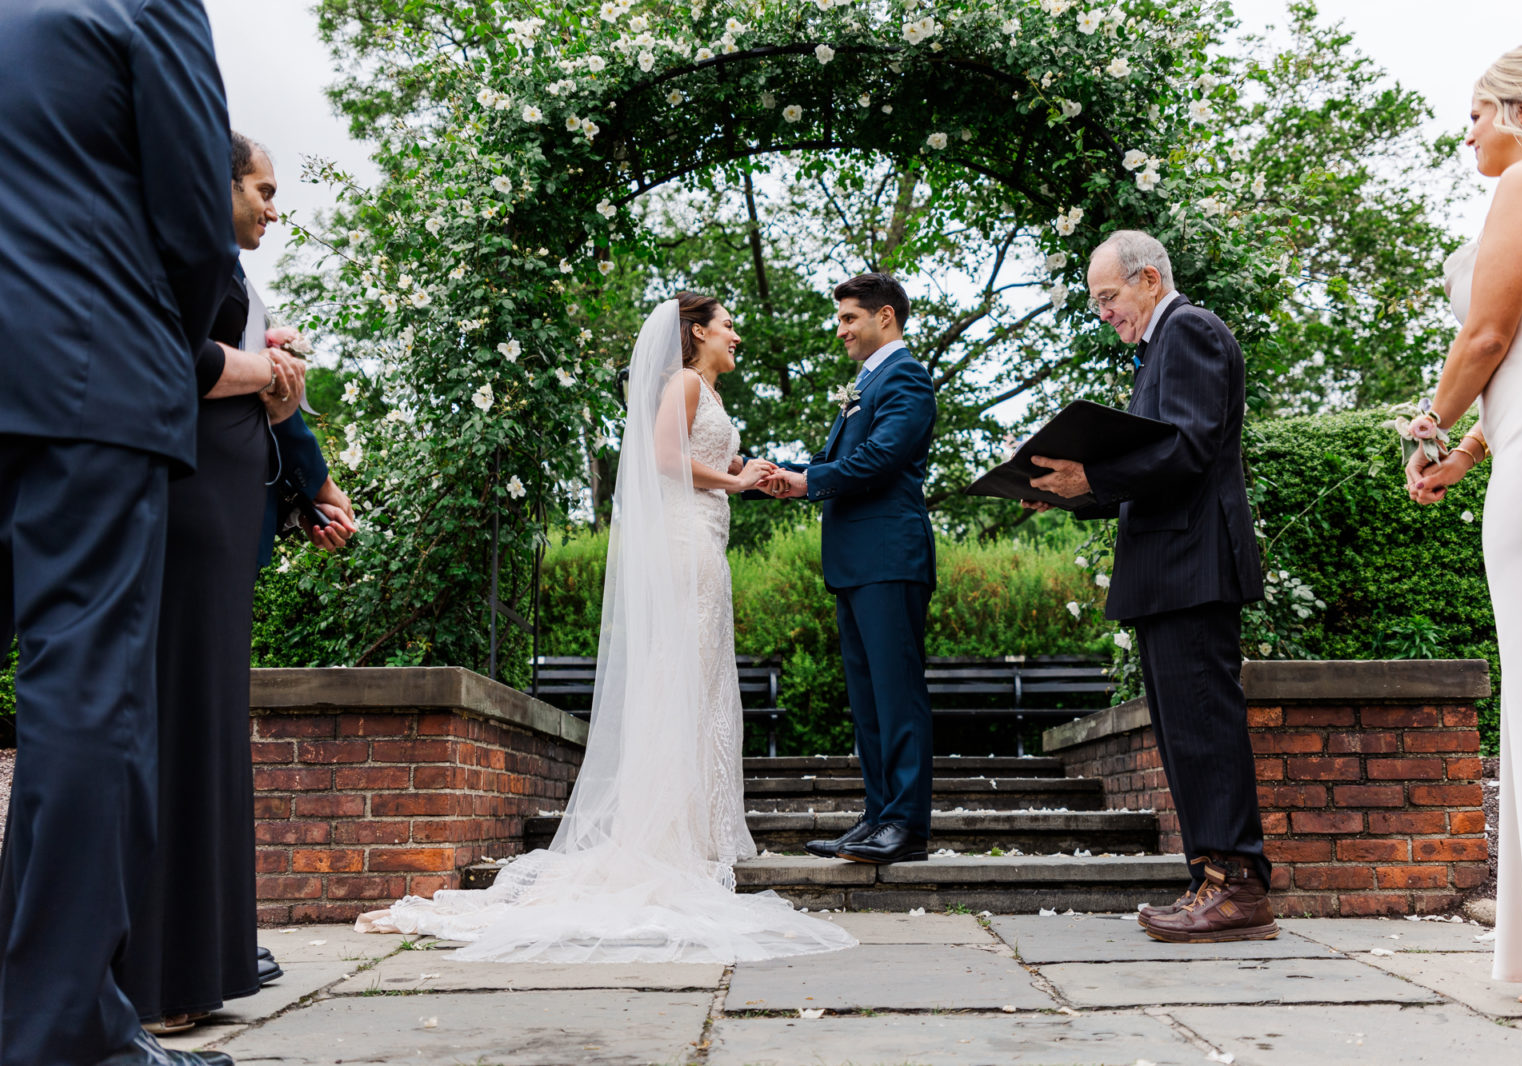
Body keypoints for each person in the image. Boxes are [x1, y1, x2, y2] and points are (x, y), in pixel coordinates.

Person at [355, 295, 855, 963]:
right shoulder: (682, 383)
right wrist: (732, 485)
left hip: (705, 540)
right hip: (685, 544)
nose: (737, 334)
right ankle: (667, 841)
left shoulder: (704, 389)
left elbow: (700, 466)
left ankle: (696, 836)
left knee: (699, 685)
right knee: (680, 682)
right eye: (727, 324)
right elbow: (663, 462)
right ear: (698, 331)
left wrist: (743, 475)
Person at [0, 1, 239, 1064]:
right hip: (83, 379)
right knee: (85, 693)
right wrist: (170, 347)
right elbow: (197, 224)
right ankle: (60, 1030)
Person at [114, 133, 356, 1037]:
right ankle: (161, 971)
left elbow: (254, 390)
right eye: (261, 188)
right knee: (180, 732)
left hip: (223, 516)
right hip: (184, 512)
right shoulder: (179, 252)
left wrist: (307, 482)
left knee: (206, 734)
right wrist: (265, 369)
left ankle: (201, 955)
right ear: (213, 184)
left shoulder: (227, 270)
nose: (272, 206)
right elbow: (165, 360)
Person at [1404, 41, 1522, 1024]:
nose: (1466, 131)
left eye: (1474, 112)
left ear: (1519, 109)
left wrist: (1426, 424)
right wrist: (1472, 450)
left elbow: (1484, 337)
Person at [1025, 231, 1272, 943]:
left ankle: (1240, 889)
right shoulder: (1159, 346)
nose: (1104, 312)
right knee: (1182, 734)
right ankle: (1212, 881)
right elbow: (1155, 464)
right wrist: (1067, 491)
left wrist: (1093, 476)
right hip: (1169, 567)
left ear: (1150, 280)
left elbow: (1188, 448)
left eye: (1109, 297)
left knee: (1204, 729)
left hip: (1192, 568)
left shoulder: (1188, 329)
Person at [760, 273, 939, 867]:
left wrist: (809, 479)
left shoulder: (905, 376)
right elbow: (836, 464)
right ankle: (878, 815)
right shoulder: (866, 382)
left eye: (848, 319)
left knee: (897, 695)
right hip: (857, 564)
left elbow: (881, 458)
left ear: (884, 317)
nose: (840, 331)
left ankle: (907, 826)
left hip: (890, 557)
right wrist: (775, 473)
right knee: (868, 701)